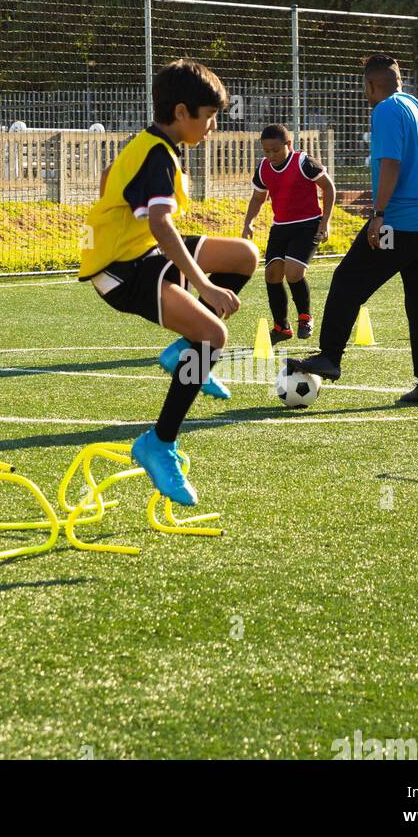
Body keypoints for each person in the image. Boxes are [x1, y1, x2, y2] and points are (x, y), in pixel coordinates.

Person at [80, 58, 259, 506]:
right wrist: (204, 284)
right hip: (121, 269)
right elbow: (161, 223)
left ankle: (184, 350)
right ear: (181, 112)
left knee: (245, 256)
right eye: (209, 116)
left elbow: (110, 181)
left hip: (142, 252)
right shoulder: (157, 155)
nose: (213, 126)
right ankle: (158, 443)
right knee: (214, 335)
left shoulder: (151, 143)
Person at [289, 54, 418, 406]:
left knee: (348, 279)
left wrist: (379, 213)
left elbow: (391, 163)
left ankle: (330, 357)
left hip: (402, 222)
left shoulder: (385, 109)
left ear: (370, 85)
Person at [242, 124, 335, 345]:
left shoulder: (304, 162)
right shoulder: (264, 167)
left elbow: (329, 188)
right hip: (281, 227)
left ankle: (305, 317)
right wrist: (248, 223)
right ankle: (281, 326)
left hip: (308, 225)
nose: (271, 155)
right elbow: (258, 198)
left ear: (288, 145)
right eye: (266, 151)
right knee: (272, 274)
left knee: (293, 272)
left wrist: (325, 223)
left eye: (275, 149)